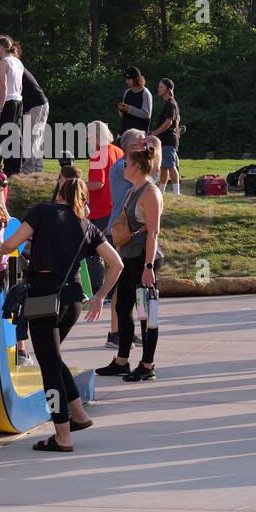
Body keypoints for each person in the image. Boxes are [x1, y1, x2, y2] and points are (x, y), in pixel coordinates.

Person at [0, 177, 124, 452]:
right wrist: (100, 297)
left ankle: (62, 436)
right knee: (52, 358)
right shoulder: (87, 226)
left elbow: (10, 245)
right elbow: (116, 263)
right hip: (72, 302)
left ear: (59, 194)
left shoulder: (42, 212)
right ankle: (78, 415)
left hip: (44, 298)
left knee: (49, 367)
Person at [97, 142, 164, 382]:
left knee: (147, 313)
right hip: (128, 258)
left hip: (144, 260)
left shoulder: (150, 193)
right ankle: (122, 360)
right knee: (122, 307)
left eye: (126, 164)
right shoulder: (131, 190)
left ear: (135, 168)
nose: (122, 167)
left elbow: (153, 233)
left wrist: (148, 267)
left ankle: (147, 365)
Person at [86, 122, 123, 294]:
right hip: (117, 207)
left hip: (100, 209)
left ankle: (98, 288)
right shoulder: (118, 151)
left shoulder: (98, 154)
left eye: (88, 135)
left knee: (94, 250)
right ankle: (116, 287)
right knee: (115, 250)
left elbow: (97, 183)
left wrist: (79, 185)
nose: (87, 138)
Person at [14, 42, 49, 175]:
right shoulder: (16, 66)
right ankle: (37, 169)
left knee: (32, 137)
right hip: (37, 105)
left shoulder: (16, 67)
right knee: (36, 137)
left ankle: (29, 168)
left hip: (37, 104)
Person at [0, 35, 25, 176]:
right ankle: (16, 167)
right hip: (18, 101)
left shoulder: (2, 63)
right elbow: (21, 87)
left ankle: (9, 168)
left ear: (3, 47)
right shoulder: (18, 62)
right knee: (15, 135)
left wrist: (0, 107)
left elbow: (4, 87)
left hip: (9, 101)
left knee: (6, 135)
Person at [154, 78, 181, 195]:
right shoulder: (168, 103)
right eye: (159, 86)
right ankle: (161, 191)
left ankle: (176, 193)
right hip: (164, 141)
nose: (159, 89)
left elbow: (169, 122)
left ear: (168, 89)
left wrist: (155, 133)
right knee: (164, 167)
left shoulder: (171, 103)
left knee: (171, 165)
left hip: (169, 141)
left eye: (161, 87)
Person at [118, 66, 152, 136]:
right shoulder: (127, 92)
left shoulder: (145, 93)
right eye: (126, 79)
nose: (127, 81)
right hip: (125, 133)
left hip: (139, 136)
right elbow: (123, 115)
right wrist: (121, 110)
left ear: (137, 79)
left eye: (129, 79)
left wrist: (129, 109)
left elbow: (147, 114)